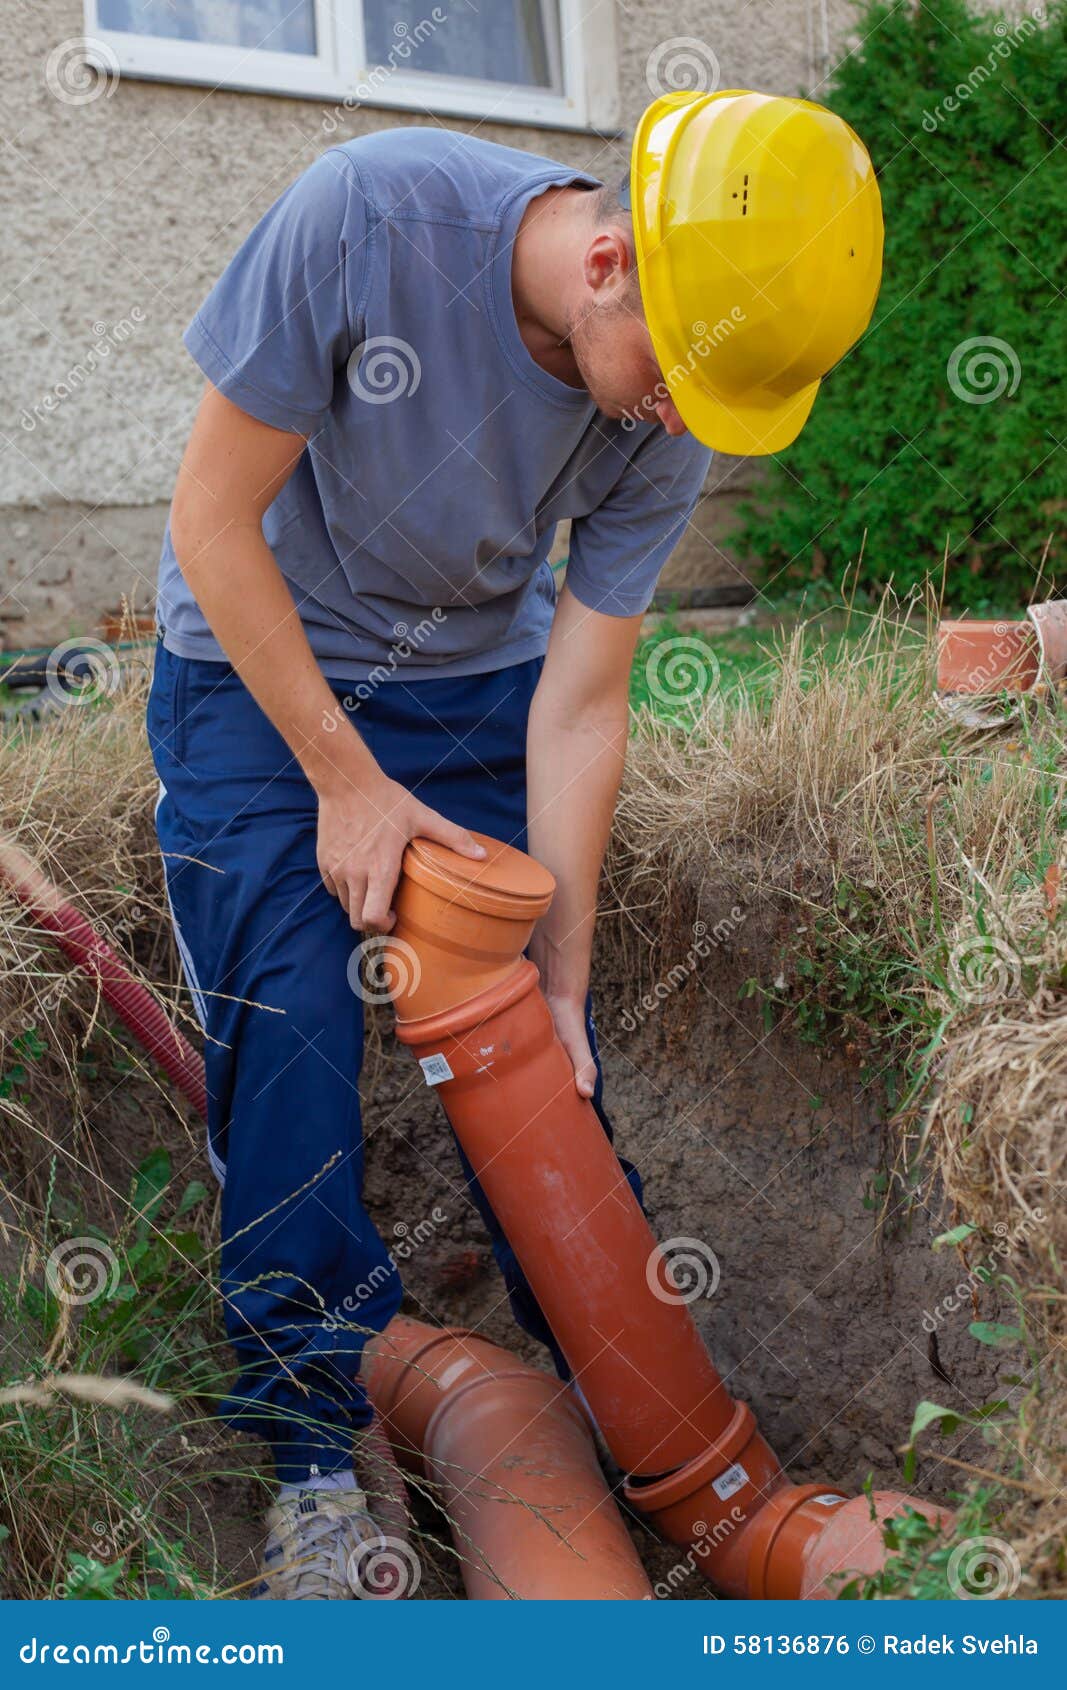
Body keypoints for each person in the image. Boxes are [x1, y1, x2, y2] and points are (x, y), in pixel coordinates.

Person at [147, 90, 882, 1599]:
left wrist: (561, 974)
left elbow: (585, 700)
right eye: (676, 378)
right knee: (291, 1009)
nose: (680, 418)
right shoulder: (369, 216)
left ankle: (645, 1438)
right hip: (256, 665)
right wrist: (341, 783)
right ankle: (300, 1447)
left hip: (475, 682)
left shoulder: (663, 392)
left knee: (537, 1060)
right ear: (612, 259)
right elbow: (214, 524)